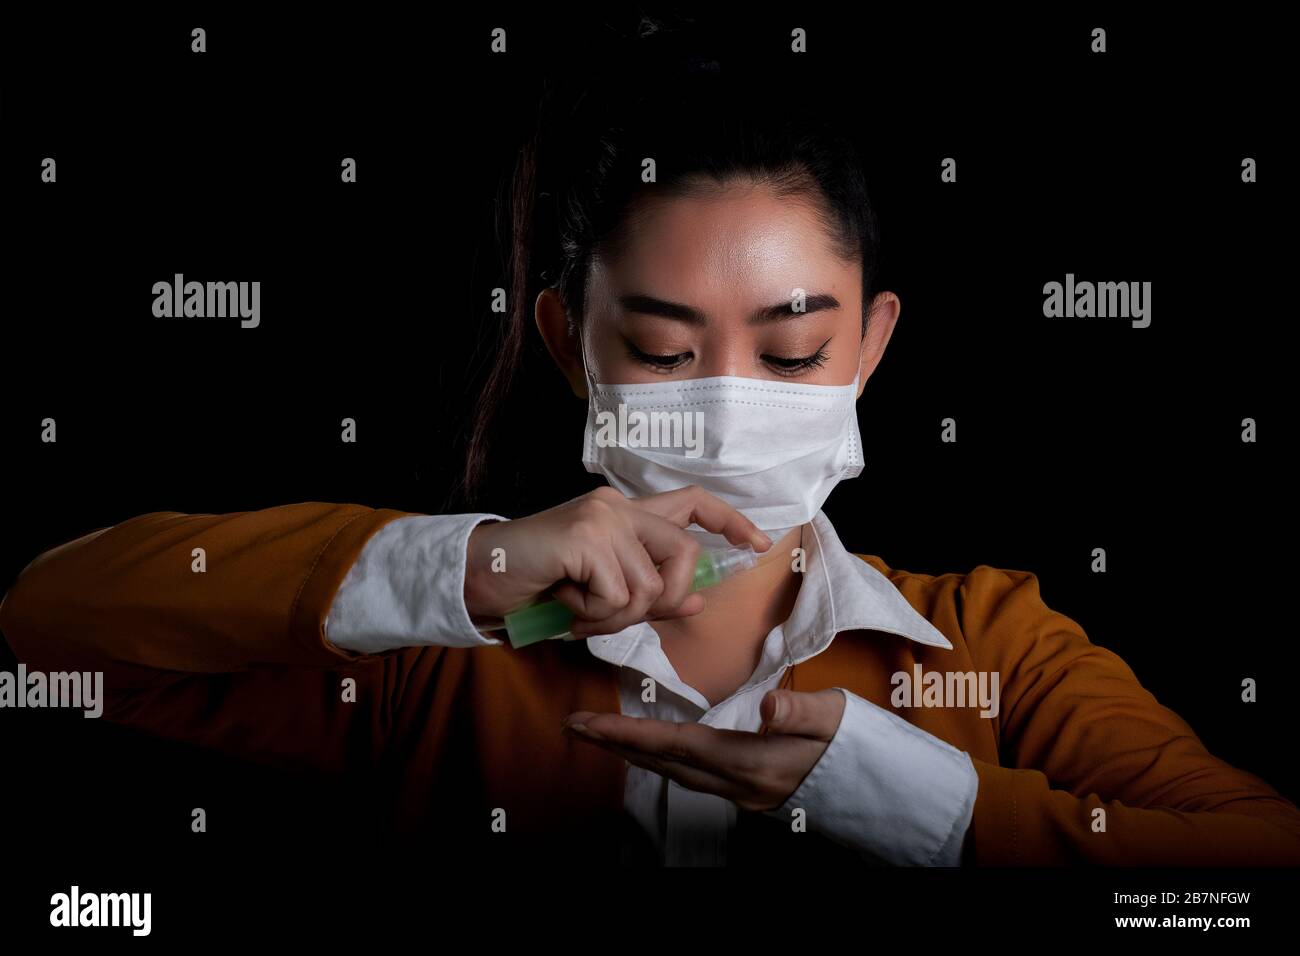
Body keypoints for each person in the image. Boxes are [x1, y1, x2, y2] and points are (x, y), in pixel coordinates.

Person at [4, 55, 1300, 869]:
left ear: (871, 347)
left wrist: (923, 807)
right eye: (669, 350)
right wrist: (467, 568)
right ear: (571, 346)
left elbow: (1244, 879)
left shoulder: (990, 646)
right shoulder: (438, 668)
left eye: (791, 354)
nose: (732, 410)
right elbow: (48, 636)